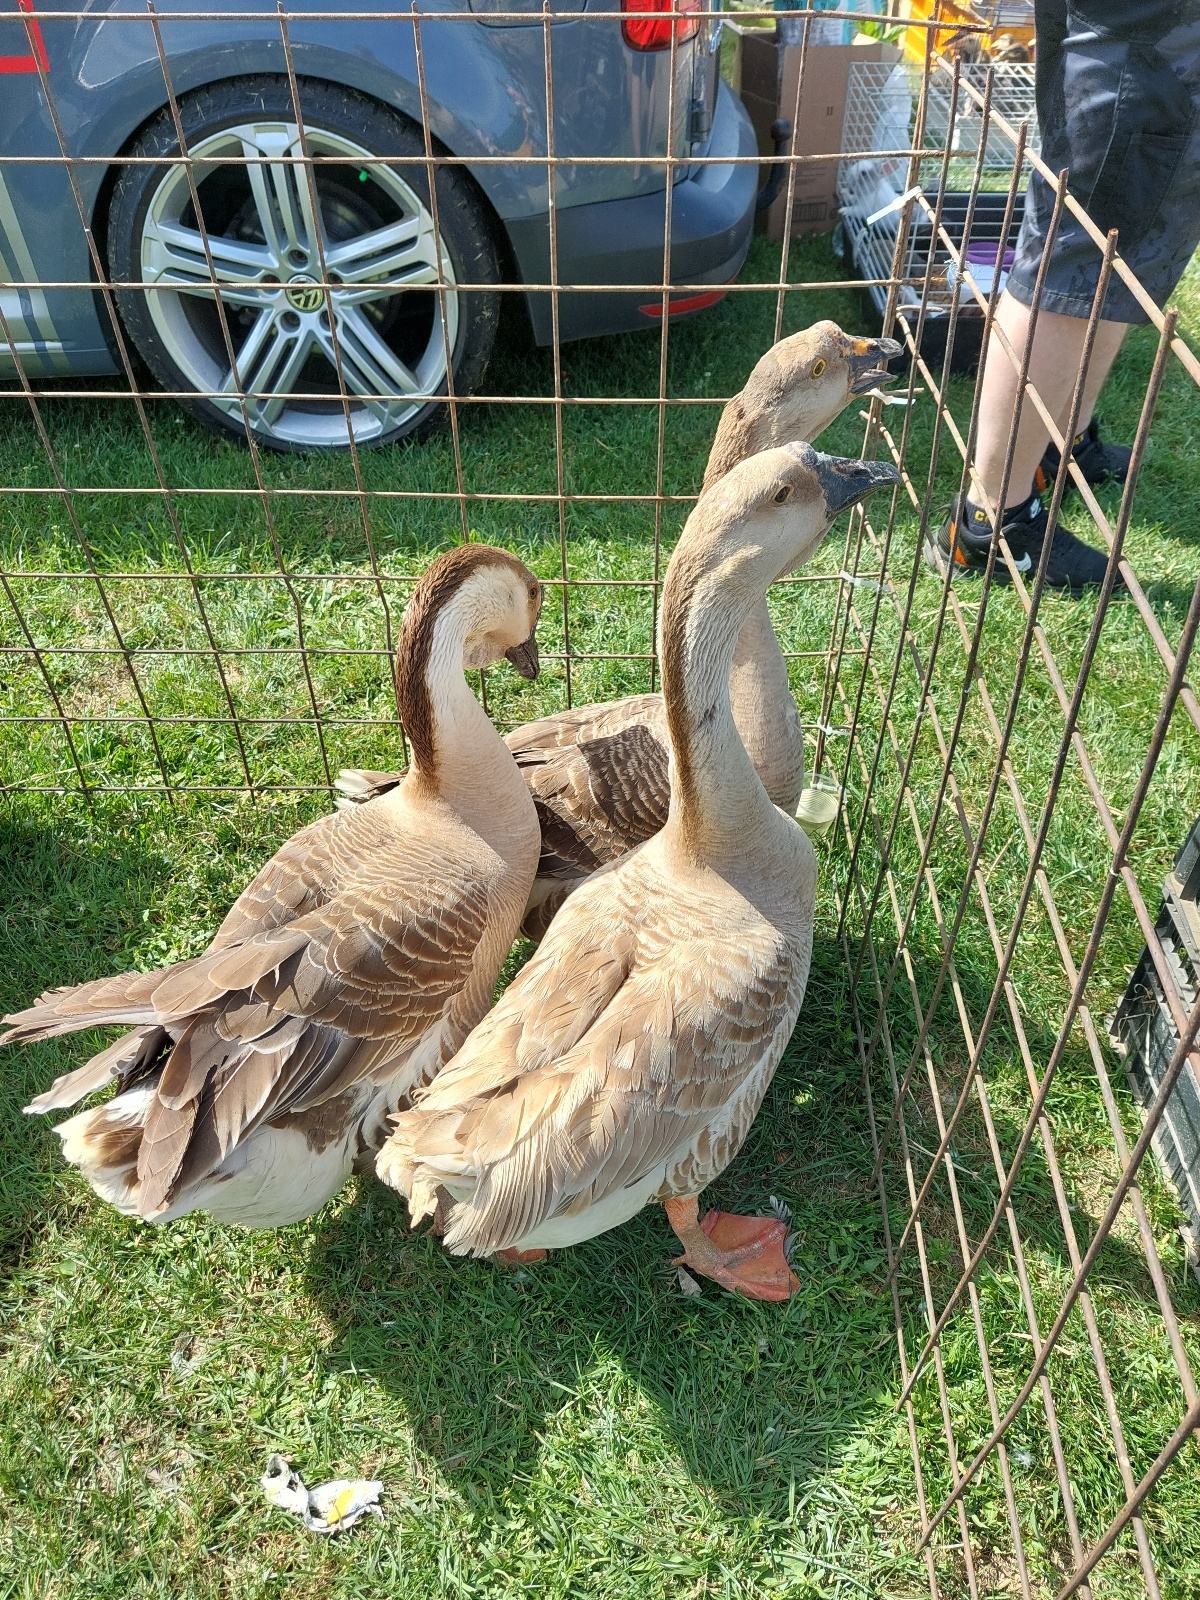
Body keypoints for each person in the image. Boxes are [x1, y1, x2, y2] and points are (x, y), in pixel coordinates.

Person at [925, 0, 1200, 592]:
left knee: (1118, 248)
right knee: (1081, 253)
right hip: (1151, 36)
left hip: (1158, 35)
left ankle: (1055, 446)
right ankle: (990, 524)